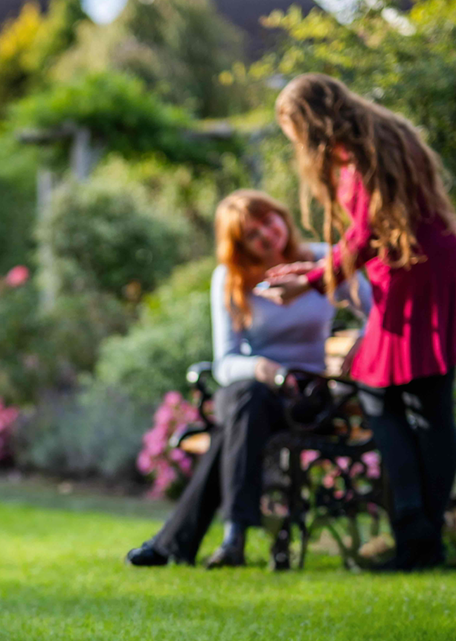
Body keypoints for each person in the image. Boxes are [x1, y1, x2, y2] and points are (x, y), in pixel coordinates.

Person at [262, 74, 456, 571]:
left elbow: (364, 236)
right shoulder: (380, 136)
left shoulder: (363, 154)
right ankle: (421, 539)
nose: (296, 144)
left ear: (309, 123)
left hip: (425, 284)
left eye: (293, 131)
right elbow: (371, 238)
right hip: (425, 277)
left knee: (397, 399)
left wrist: (309, 283)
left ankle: (417, 538)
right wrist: (316, 270)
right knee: (418, 408)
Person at [126, 190, 371, 568]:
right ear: (240, 246)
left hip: (306, 397)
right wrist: (261, 368)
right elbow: (225, 362)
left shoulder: (322, 260)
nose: (267, 235)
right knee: (246, 397)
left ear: (281, 216)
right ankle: (229, 535)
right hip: (252, 390)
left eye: (268, 221)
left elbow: (375, 311)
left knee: (236, 421)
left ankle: (194, 541)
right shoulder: (230, 279)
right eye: (253, 234)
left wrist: (360, 347)